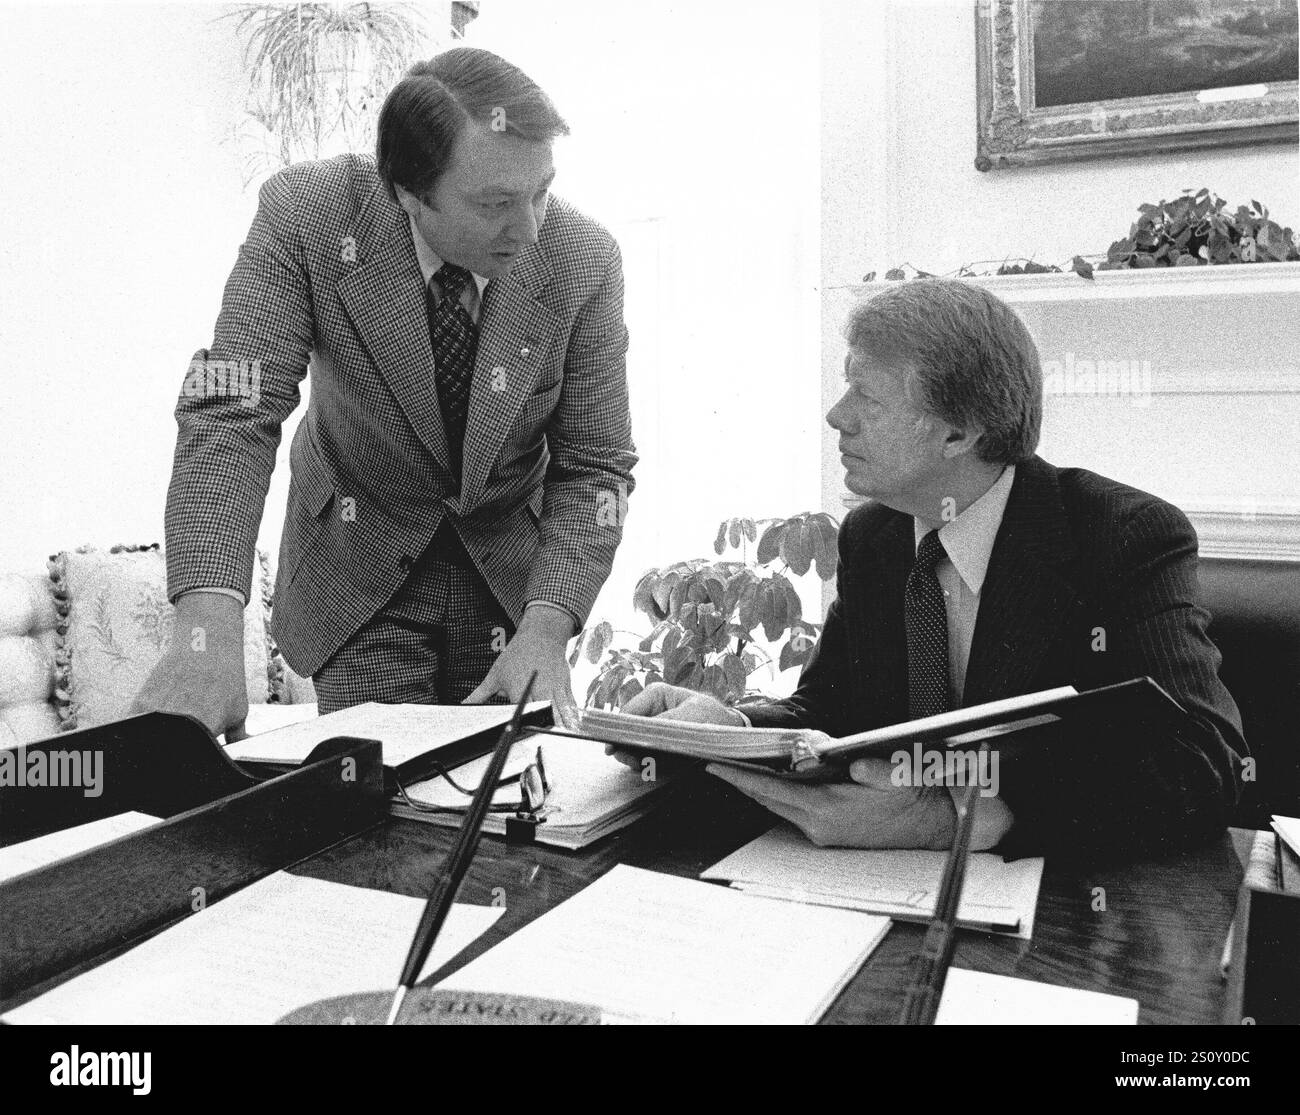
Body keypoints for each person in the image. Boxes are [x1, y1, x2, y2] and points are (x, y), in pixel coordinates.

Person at [624, 279, 1245, 858]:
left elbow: (1202, 764)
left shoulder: (1119, 537)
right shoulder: (876, 535)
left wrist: (952, 819)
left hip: (1060, 908)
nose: (838, 416)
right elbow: (833, 713)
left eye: (865, 393)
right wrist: (729, 724)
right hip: (865, 888)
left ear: (957, 433)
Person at [133, 47, 636, 737]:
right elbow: (232, 407)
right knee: (370, 814)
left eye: (541, 191)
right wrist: (206, 630)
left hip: (510, 591)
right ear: (406, 191)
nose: (529, 229)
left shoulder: (586, 260)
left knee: (508, 819)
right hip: (356, 570)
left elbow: (595, 467)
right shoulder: (306, 217)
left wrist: (548, 627)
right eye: (494, 204)